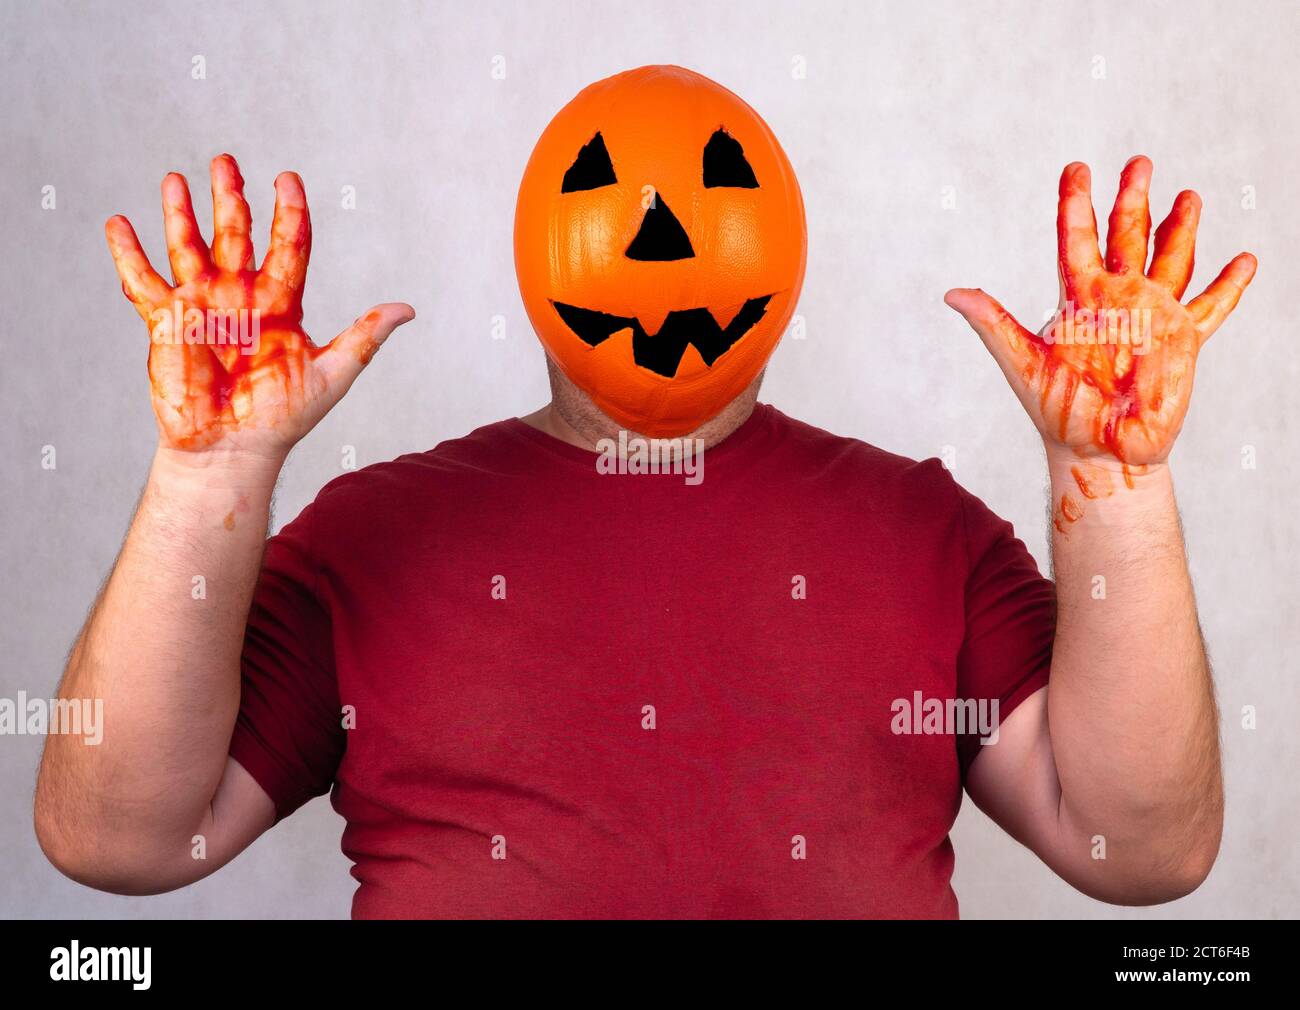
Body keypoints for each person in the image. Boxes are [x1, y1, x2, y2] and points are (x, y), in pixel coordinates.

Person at [33, 123, 1255, 916]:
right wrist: (209, 470)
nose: (661, 241)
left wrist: (1118, 489)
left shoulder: (924, 531)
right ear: (536, 254)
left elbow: (1136, 849)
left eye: (719, 187)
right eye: (602, 192)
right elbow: (121, 837)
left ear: (783, 256)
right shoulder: (372, 536)